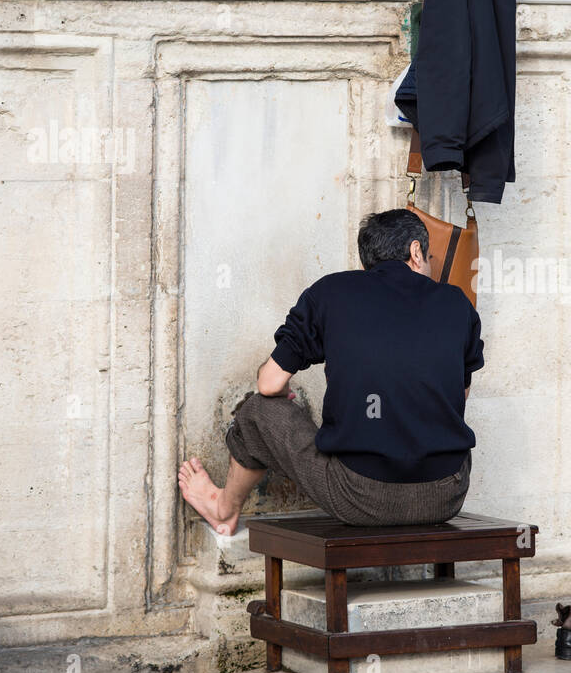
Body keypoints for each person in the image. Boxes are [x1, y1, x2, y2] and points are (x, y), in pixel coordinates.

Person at [178, 209, 485, 535]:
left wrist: (284, 391)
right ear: (415, 251)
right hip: (446, 495)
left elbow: (269, 383)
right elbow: (458, 397)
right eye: (430, 257)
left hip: (361, 497)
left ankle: (223, 508)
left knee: (257, 410)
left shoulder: (331, 293)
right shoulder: (457, 302)